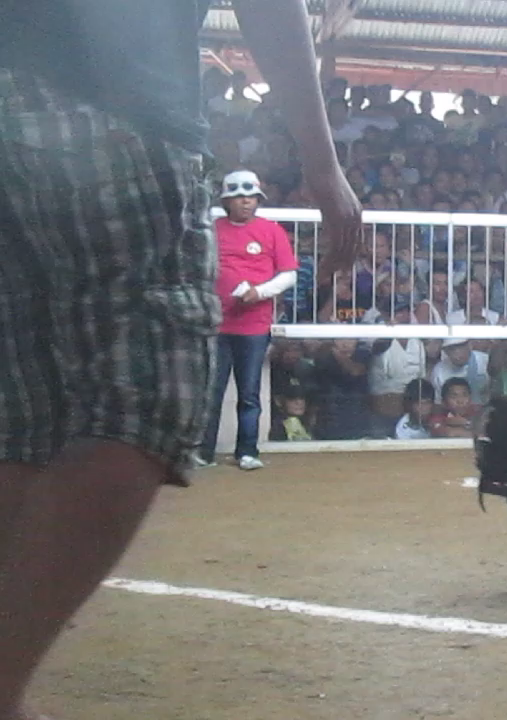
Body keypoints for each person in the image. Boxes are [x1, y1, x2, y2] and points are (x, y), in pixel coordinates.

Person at [0, 2, 362, 718]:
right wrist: (322, 165)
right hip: (105, 104)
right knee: (145, 398)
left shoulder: (263, 235)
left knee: (25, 419)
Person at [197, 170, 299, 471]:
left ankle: (247, 451)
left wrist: (261, 292)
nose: (246, 202)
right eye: (240, 197)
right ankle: (203, 452)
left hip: (254, 325)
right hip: (217, 322)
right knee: (211, 393)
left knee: (249, 392)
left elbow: (289, 274)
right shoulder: (212, 230)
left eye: (251, 197)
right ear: (227, 200)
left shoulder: (272, 231)